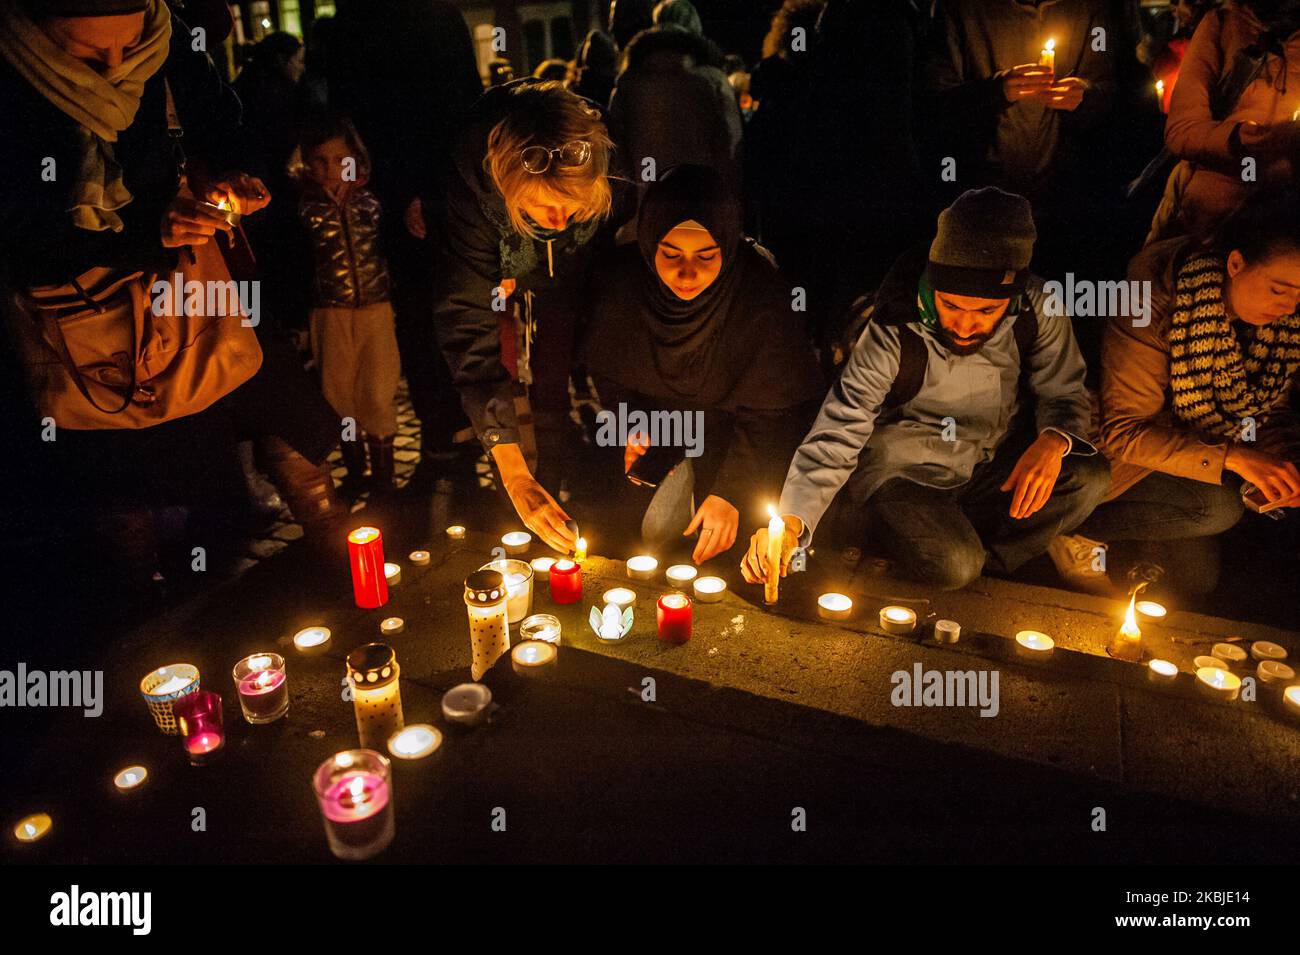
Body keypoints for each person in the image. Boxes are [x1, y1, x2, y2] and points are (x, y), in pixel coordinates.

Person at [0, 0, 345, 593]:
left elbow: (225, 124)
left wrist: (233, 173)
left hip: (198, 294)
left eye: (130, 45)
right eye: (88, 51)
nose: (116, 65)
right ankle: (147, 615)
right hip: (82, 316)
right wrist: (145, 234)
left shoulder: (170, 41)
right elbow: (16, 236)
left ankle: (339, 559)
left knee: (281, 409)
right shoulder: (10, 86)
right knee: (121, 475)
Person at [740, 188, 1111, 592]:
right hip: (905, 476)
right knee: (954, 563)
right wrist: (792, 524)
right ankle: (938, 557)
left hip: (985, 461)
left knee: (1087, 477)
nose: (965, 326)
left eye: (986, 311)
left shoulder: (1039, 307)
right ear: (932, 286)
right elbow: (839, 428)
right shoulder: (893, 329)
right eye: (951, 306)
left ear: (1013, 295)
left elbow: (1065, 387)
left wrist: (1054, 439)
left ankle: (978, 565)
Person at [584, 166, 824, 562]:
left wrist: (732, 490)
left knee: (746, 549)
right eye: (670, 254)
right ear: (648, 244)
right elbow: (610, 370)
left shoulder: (759, 296)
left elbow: (776, 414)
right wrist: (632, 423)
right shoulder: (624, 288)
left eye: (706, 255)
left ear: (727, 247)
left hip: (743, 441)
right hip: (665, 431)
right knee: (638, 536)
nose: (687, 273)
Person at [1078, 186, 1300, 590]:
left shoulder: (1282, 326)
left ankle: (1125, 541)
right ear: (1236, 263)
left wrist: (1284, 461)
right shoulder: (1155, 295)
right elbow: (1123, 431)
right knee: (1216, 510)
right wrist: (1234, 458)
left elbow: (1267, 406)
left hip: (1188, 451)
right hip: (1105, 455)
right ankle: (1069, 527)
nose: (1288, 307)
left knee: (1193, 582)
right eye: (1278, 289)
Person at [432, 80, 620, 553]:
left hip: (572, 279)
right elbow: (466, 323)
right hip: (503, 278)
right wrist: (514, 475)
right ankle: (524, 488)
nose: (559, 222)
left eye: (572, 206)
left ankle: (562, 467)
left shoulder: (602, 153)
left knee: (558, 368)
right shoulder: (469, 188)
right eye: (543, 207)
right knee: (511, 369)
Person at [328, 0, 483, 489]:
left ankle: (459, 444)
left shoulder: (432, 17)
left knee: (441, 322)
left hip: (423, 199)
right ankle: (442, 444)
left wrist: (429, 193)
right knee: (413, 328)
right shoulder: (359, 20)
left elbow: (458, 109)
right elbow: (352, 107)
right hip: (380, 196)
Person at [293, 112, 401, 501]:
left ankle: (385, 477)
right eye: (320, 161)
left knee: (378, 388)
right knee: (338, 391)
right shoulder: (304, 208)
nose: (330, 169)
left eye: (340, 160)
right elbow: (294, 262)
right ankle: (356, 471)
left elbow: (391, 249)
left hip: (376, 307)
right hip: (329, 311)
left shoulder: (372, 202)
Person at [1149, 0, 1300, 244]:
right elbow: (1182, 129)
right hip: (1210, 220)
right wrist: (1236, 138)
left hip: (1286, 227)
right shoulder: (1222, 24)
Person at [608, 17, 743, 195]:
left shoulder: (628, 84)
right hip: (703, 195)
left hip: (646, 196)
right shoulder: (712, 80)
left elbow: (616, 149)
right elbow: (730, 142)